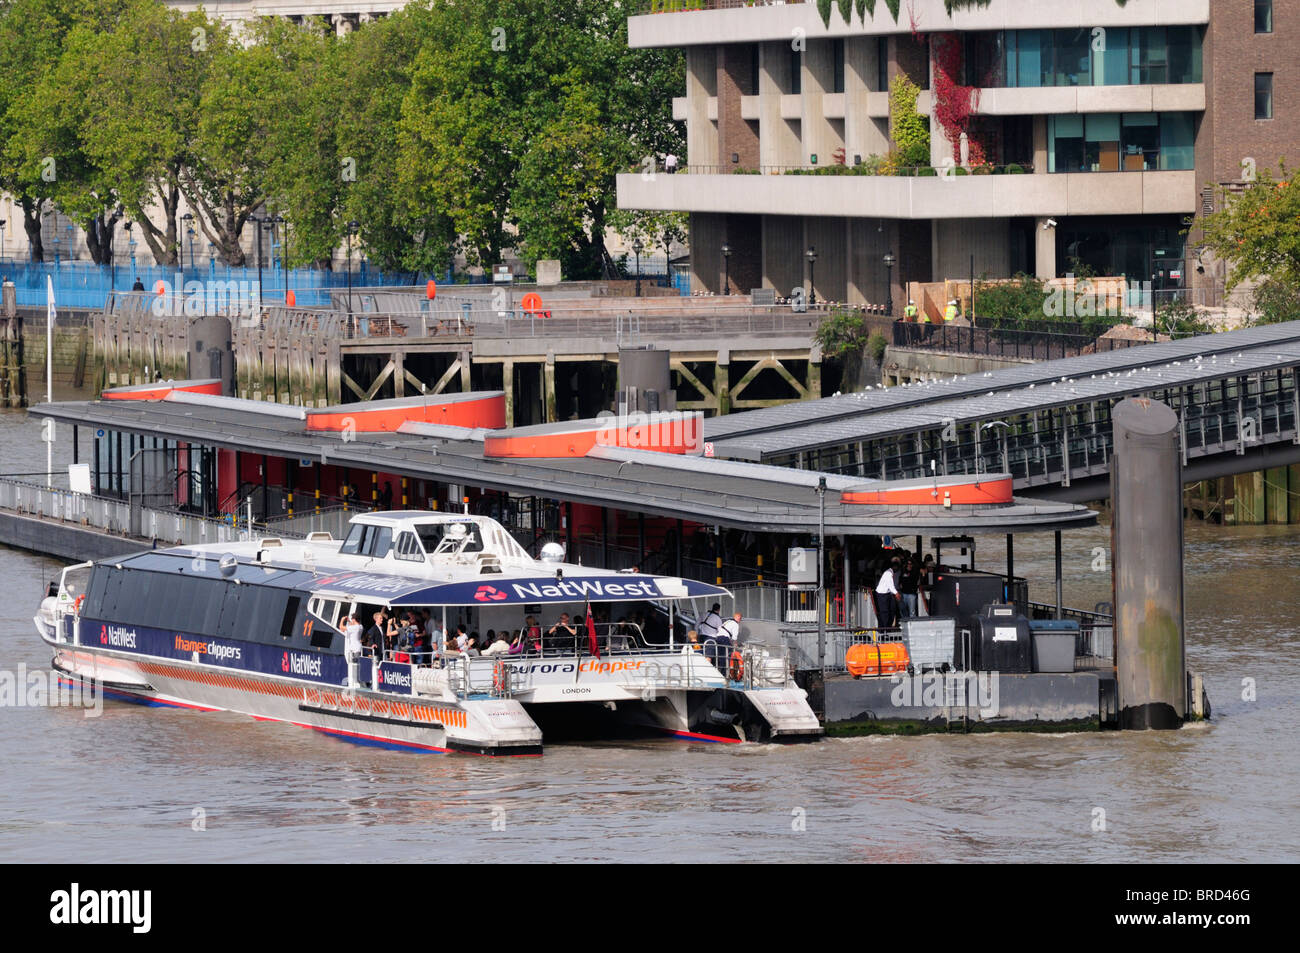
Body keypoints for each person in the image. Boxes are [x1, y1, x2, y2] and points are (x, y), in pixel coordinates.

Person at [875, 558, 901, 628]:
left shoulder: (890, 572)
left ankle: (887, 626)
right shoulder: (888, 573)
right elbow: (891, 585)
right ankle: (884, 629)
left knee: (892, 610)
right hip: (882, 594)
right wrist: (896, 593)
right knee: (884, 612)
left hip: (887, 594)